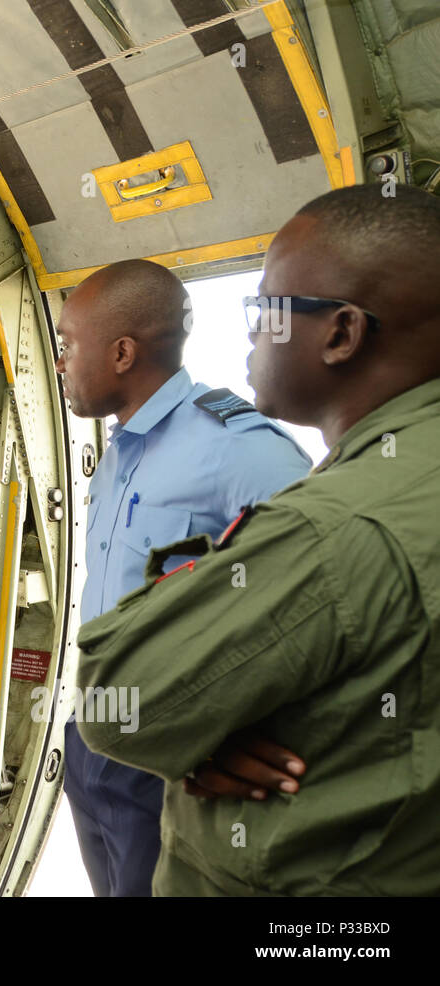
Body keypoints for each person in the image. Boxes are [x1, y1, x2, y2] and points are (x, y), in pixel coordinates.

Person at [76, 183, 440, 895]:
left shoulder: (332, 520)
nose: (249, 333)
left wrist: (194, 722)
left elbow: (119, 696)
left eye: (267, 309)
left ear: (341, 333)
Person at [55, 259, 311, 896]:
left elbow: (310, 601)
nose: (59, 361)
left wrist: (240, 729)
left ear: (121, 352)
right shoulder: (120, 447)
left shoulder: (242, 450)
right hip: (93, 739)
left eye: (67, 344)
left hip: (173, 752)